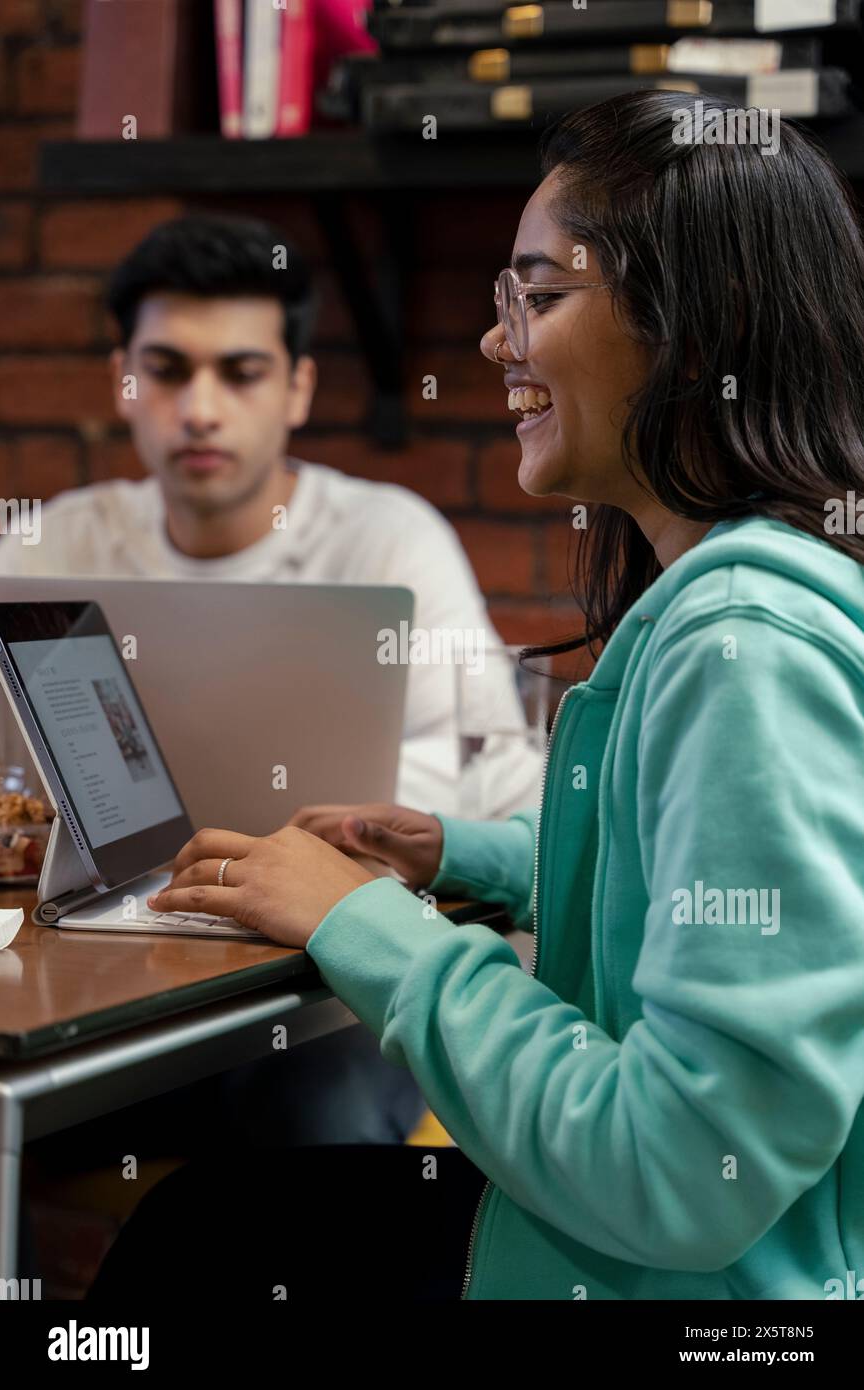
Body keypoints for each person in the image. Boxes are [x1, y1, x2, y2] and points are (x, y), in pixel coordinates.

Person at [87, 86, 864, 1300]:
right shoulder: (736, 611)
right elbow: (681, 887)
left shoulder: (742, 645)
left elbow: (684, 1168)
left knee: (193, 1245)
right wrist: (472, 853)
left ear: (696, 331)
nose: (497, 343)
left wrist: (364, 926)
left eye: (538, 297)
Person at [0, 214, 544, 1155]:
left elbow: (503, 783)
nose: (199, 409)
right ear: (122, 382)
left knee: (315, 1116)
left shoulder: (391, 541)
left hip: (326, 994)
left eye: (240, 373)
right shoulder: (51, 547)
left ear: (297, 388)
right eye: (167, 370)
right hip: (104, 985)